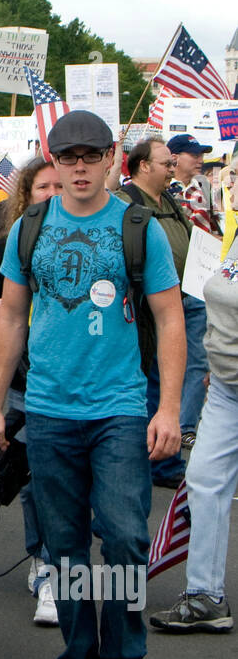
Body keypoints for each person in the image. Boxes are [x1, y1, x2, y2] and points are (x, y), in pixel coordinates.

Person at [0, 110, 185, 659]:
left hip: (120, 406)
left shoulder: (137, 226)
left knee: (123, 537)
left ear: (110, 157)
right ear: (53, 158)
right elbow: (11, 318)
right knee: (65, 547)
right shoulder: (31, 228)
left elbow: (171, 319)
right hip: (47, 409)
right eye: (67, 157)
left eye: (90, 156)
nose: (78, 167)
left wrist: (169, 407)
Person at [149, 160, 238, 634]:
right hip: (225, 389)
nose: (230, 184)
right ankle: (205, 595)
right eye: (233, 176)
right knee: (203, 482)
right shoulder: (233, 234)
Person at [0, 156, 63, 625]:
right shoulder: (8, 246)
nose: (52, 194)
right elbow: (3, 318)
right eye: (42, 188)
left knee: (75, 482)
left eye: (59, 186)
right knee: (37, 480)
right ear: (26, 196)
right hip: (25, 383)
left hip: (83, 383)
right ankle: (46, 564)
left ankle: (66, 563)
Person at [111, 139, 198, 487]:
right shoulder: (126, 202)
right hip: (147, 307)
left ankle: (166, 452)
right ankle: (158, 459)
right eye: (166, 163)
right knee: (154, 379)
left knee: (176, 374)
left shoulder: (171, 200)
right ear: (144, 166)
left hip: (183, 296)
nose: (171, 170)